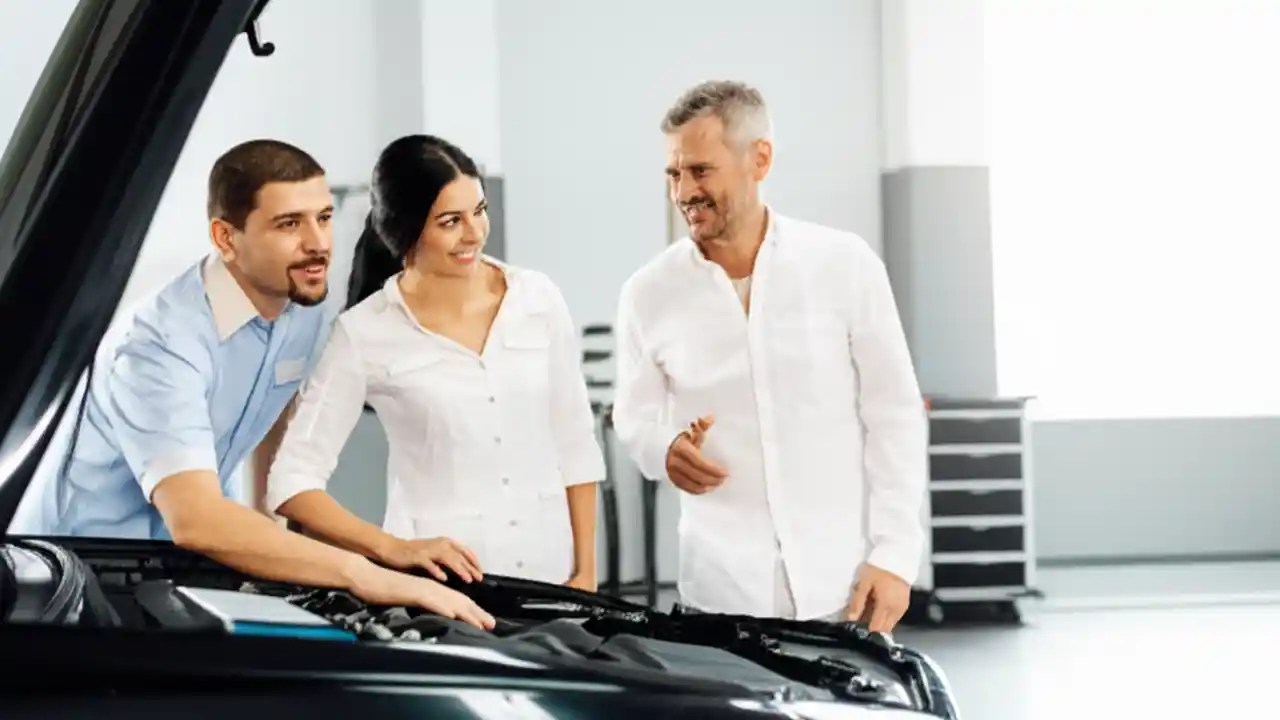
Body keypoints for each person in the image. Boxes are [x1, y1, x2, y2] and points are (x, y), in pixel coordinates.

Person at [37, 139, 493, 629]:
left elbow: (276, 413)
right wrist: (368, 571)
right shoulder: (159, 345)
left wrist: (283, 536)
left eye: (323, 217)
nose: (318, 243)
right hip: (79, 582)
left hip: (182, 572)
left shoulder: (299, 307)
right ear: (226, 238)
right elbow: (197, 519)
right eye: (289, 224)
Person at [612, 81, 927, 632]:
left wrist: (896, 554)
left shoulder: (843, 265)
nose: (684, 190)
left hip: (845, 588)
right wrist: (662, 448)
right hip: (719, 595)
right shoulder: (649, 292)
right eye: (673, 174)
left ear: (760, 159)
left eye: (700, 170)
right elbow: (632, 416)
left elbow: (894, 414)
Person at [265, 135, 605, 591]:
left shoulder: (538, 299)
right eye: (450, 221)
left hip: (554, 584)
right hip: (439, 592)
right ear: (407, 229)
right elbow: (290, 483)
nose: (475, 233)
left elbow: (575, 441)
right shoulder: (364, 333)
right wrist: (391, 549)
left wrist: (586, 572)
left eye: (479, 211)